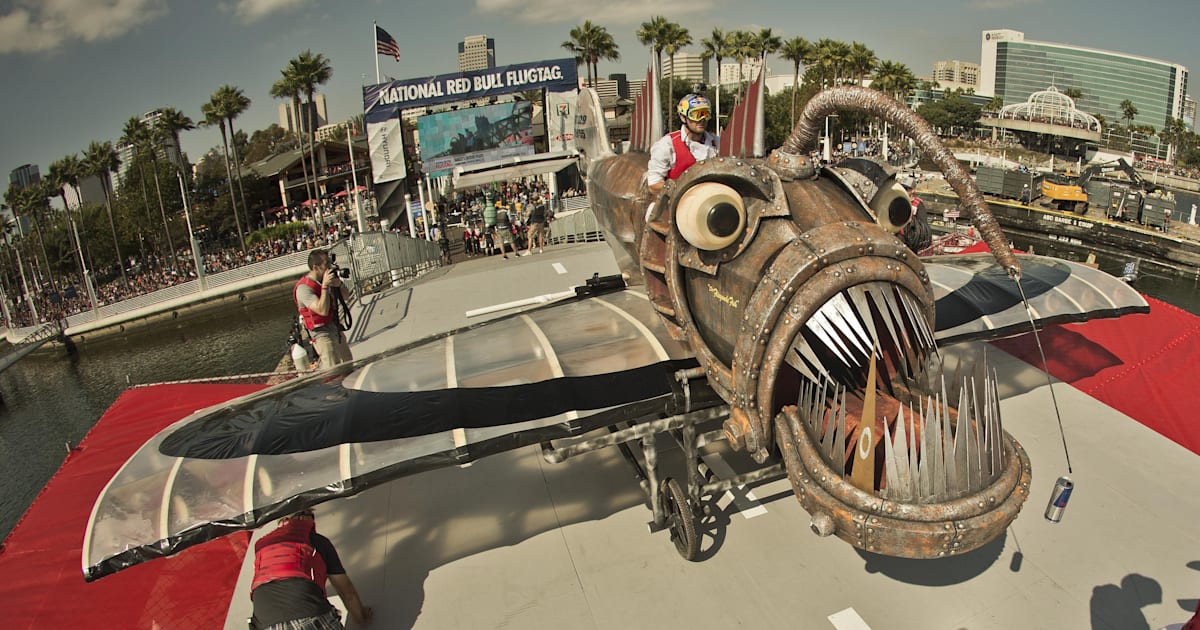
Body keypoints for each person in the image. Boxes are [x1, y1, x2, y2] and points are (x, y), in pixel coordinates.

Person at [249, 508, 373, 629]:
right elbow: (347, 591)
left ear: (282, 522)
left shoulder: (261, 545)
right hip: (308, 611)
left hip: (265, 622)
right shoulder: (318, 541)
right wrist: (360, 617)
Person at [646, 94, 719, 195]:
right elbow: (654, 184)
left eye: (706, 114)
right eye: (696, 114)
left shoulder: (717, 142)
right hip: (676, 205)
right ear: (683, 117)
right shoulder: (666, 145)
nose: (702, 119)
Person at [294, 249, 353, 371]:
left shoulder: (327, 279)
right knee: (333, 366)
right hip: (320, 332)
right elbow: (322, 310)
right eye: (326, 264)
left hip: (334, 325)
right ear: (316, 267)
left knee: (348, 360)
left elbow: (346, 296)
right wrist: (325, 287)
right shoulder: (304, 288)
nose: (329, 267)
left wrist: (339, 285)